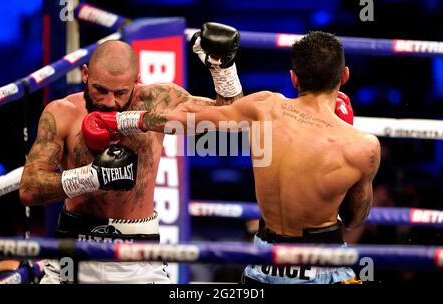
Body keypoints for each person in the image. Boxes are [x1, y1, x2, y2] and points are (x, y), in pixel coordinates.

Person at [84, 31, 380, 284]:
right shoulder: (362, 147)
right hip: (323, 266)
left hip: (263, 264)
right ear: (344, 76)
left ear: (293, 78)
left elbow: (190, 119)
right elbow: (354, 219)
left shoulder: (264, 107)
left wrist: (119, 122)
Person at [19, 22, 243, 283]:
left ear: (137, 83)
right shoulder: (62, 113)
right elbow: (29, 189)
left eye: (120, 92)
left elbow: (233, 120)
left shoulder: (158, 102)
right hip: (73, 249)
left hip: (138, 257)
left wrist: (222, 69)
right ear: (85, 74)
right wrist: (90, 177)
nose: (109, 102)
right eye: (100, 90)